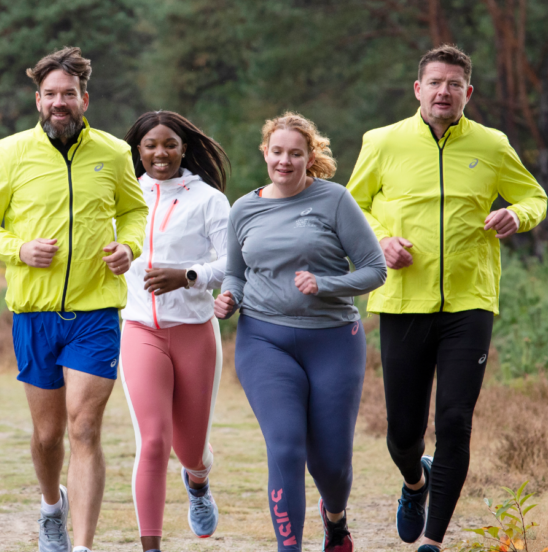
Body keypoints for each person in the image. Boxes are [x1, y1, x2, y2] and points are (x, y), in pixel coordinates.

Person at [346, 45, 547, 552]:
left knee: (455, 419)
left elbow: (535, 197)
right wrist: (381, 241)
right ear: (418, 89)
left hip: (470, 302)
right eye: (435, 82)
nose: (444, 91)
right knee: (402, 433)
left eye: (454, 84)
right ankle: (415, 482)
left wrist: (515, 216)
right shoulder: (383, 141)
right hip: (402, 302)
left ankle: (432, 542)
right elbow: (351, 207)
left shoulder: (493, 143)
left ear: (468, 93)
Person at [0, 47, 148, 552]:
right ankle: (52, 506)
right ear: (38, 100)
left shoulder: (112, 152)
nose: (59, 102)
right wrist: (18, 248)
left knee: (84, 428)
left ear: (84, 98)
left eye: (69, 94)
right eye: (51, 94)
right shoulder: (7, 153)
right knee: (48, 435)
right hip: (35, 314)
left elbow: (135, 212)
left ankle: (84, 545)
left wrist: (127, 246)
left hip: (96, 312)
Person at [215, 113, 387, 552]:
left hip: (332, 341)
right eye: (277, 152)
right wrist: (229, 299)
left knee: (330, 463)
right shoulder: (244, 208)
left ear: (310, 158)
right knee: (286, 448)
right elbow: (235, 274)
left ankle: (335, 519)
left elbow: (375, 270)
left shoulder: (334, 200)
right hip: (264, 341)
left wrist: (325, 284)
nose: (285, 161)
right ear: (265, 153)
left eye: (295, 153)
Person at [119, 111, 230, 552]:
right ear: (138, 150)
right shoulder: (122, 196)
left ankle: (198, 481)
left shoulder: (209, 200)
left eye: (169, 144)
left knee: (189, 449)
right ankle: (151, 547)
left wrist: (187, 276)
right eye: (150, 145)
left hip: (194, 333)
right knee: (152, 442)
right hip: (139, 329)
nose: (159, 153)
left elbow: (230, 264)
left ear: (184, 148)